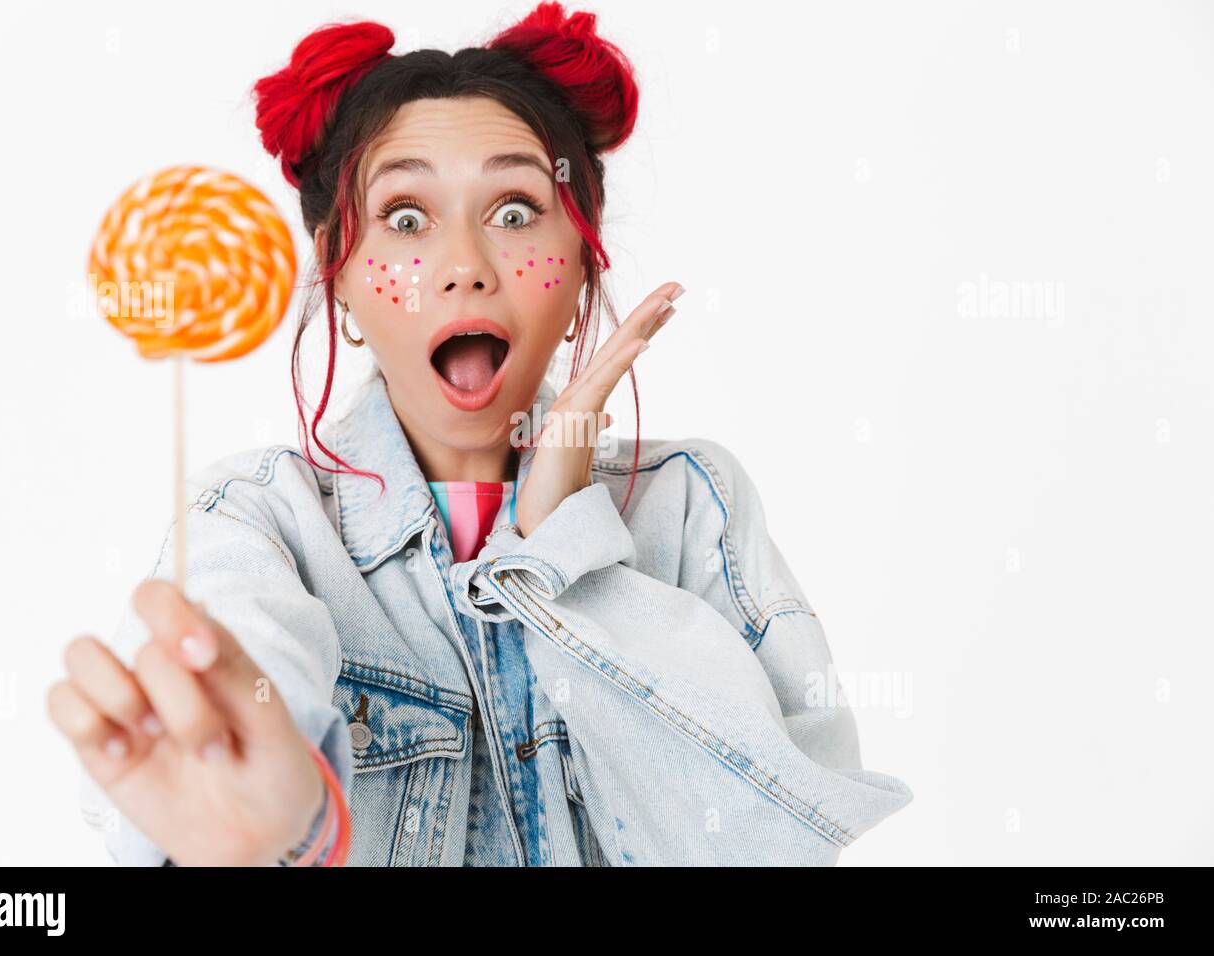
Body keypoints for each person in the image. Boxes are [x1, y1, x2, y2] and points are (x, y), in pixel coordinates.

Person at [49, 1, 912, 866]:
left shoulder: (690, 507)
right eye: (406, 219)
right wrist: (272, 792)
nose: (464, 266)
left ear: (583, 261)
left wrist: (555, 551)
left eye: (513, 211)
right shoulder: (259, 525)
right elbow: (237, 659)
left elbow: (777, 840)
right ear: (336, 273)